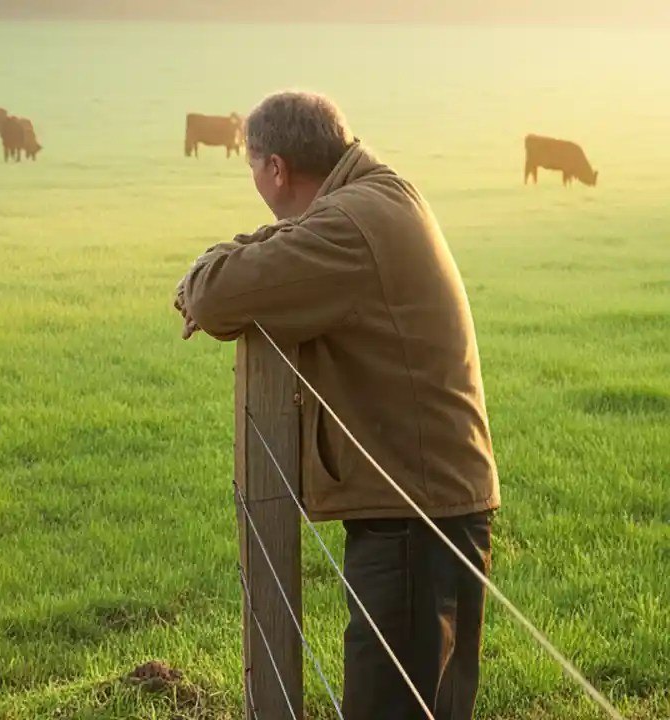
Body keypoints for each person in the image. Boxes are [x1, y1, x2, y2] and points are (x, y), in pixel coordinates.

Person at [175, 90, 500, 720]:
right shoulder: (375, 198)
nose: (255, 183)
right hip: (429, 501)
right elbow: (275, 247)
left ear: (276, 169)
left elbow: (219, 296)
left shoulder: (351, 224)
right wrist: (219, 264)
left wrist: (199, 277)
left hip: (415, 513)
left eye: (252, 169)